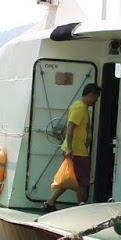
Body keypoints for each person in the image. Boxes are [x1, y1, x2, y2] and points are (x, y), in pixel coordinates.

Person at [42, 83, 101, 211]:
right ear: (91, 94)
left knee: (69, 179)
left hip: (77, 149)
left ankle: (50, 202)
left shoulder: (81, 106)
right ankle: (81, 208)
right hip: (77, 151)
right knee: (82, 181)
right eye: (96, 97)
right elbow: (70, 127)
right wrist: (69, 148)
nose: (96, 101)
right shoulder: (80, 107)